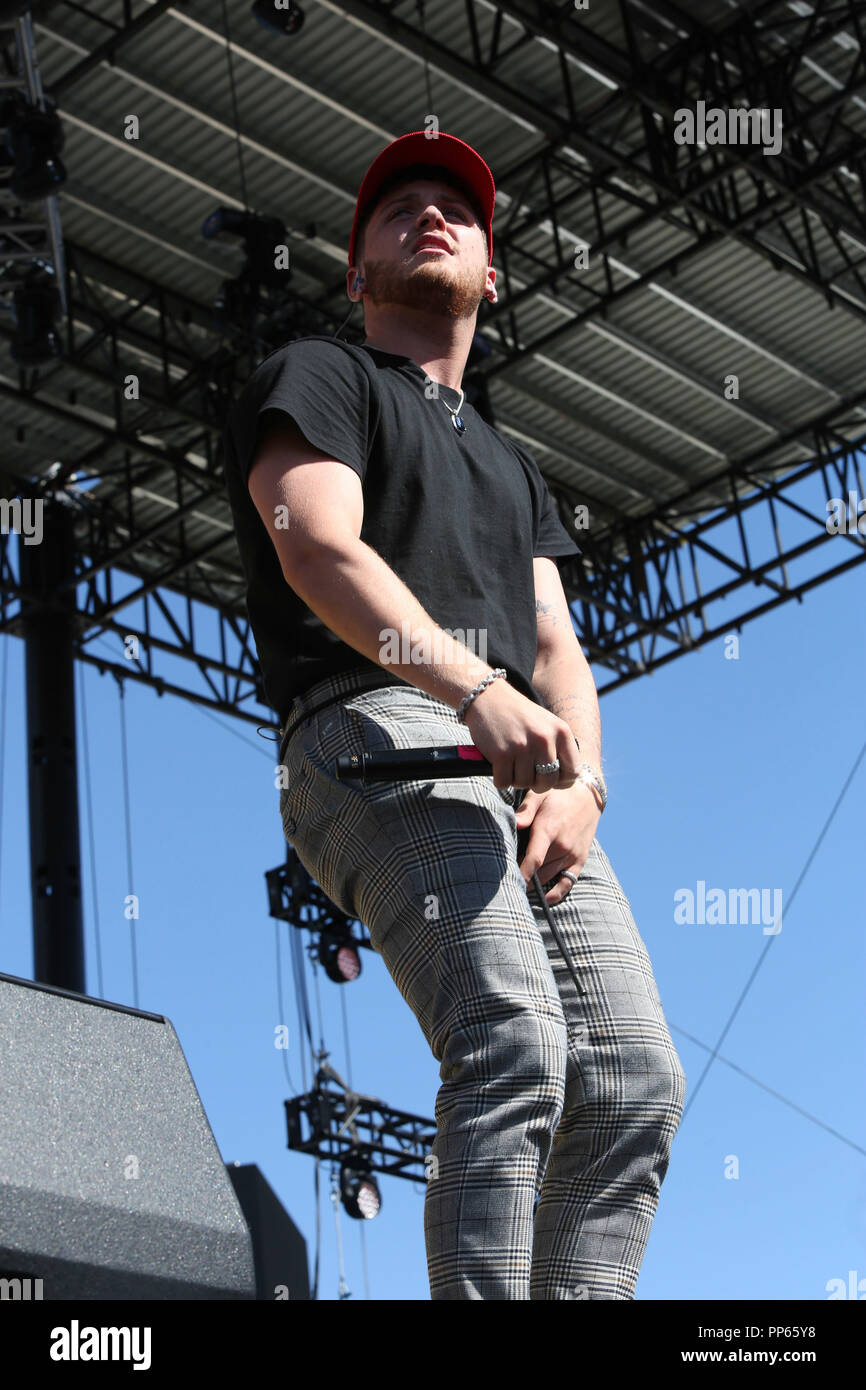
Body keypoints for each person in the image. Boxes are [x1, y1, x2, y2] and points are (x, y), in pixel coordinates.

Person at [221, 130, 686, 1300]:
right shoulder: (320, 376)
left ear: (491, 274)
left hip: (517, 774)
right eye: (399, 208)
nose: (430, 214)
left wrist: (582, 785)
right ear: (354, 274)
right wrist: (476, 691)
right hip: (370, 730)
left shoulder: (514, 466)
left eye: (456, 210)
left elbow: (557, 646)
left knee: (631, 1078)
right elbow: (316, 548)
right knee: (510, 1038)